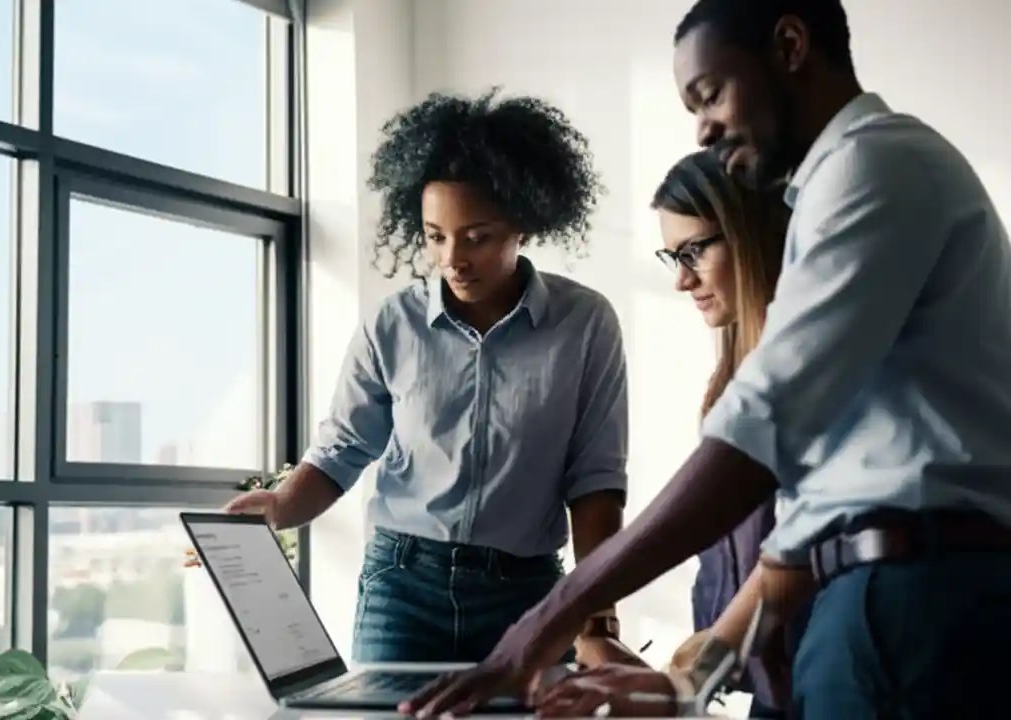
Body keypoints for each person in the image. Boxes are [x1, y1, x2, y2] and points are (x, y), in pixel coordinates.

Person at [402, 1, 1011, 718]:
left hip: (909, 609)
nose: (704, 128)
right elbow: (807, 526)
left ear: (790, 43)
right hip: (890, 605)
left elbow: (759, 432)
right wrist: (691, 679)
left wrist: (549, 618)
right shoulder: (851, 186)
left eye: (710, 94)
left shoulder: (872, 164)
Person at [226, 89, 640, 667]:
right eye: (434, 236)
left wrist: (598, 621)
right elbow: (344, 449)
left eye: (477, 236)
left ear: (523, 223)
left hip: (527, 595)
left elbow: (595, 483)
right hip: (402, 589)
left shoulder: (585, 324)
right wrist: (279, 507)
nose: (453, 258)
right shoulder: (392, 324)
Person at [648, 149, 799, 719]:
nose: (682, 280)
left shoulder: (812, 369)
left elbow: (803, 544)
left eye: (694, 251)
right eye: (671, 256)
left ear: (750, 231)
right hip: (765, 687)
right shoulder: (731, 378)